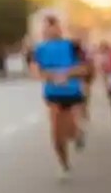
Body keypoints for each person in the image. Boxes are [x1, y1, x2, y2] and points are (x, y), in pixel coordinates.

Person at [31, 16, 90, 180]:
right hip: (52, 94)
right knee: (57, 134)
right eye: (46, 27)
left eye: (53, 26)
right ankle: (64, 165)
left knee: (69, 130)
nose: (49, 30)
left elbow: (85, 69)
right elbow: (36, 71)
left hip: (72, 93)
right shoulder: (39, 49)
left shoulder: (72, 46)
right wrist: (48, 75)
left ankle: (77, 133)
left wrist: (65, 74)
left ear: (60, 28)